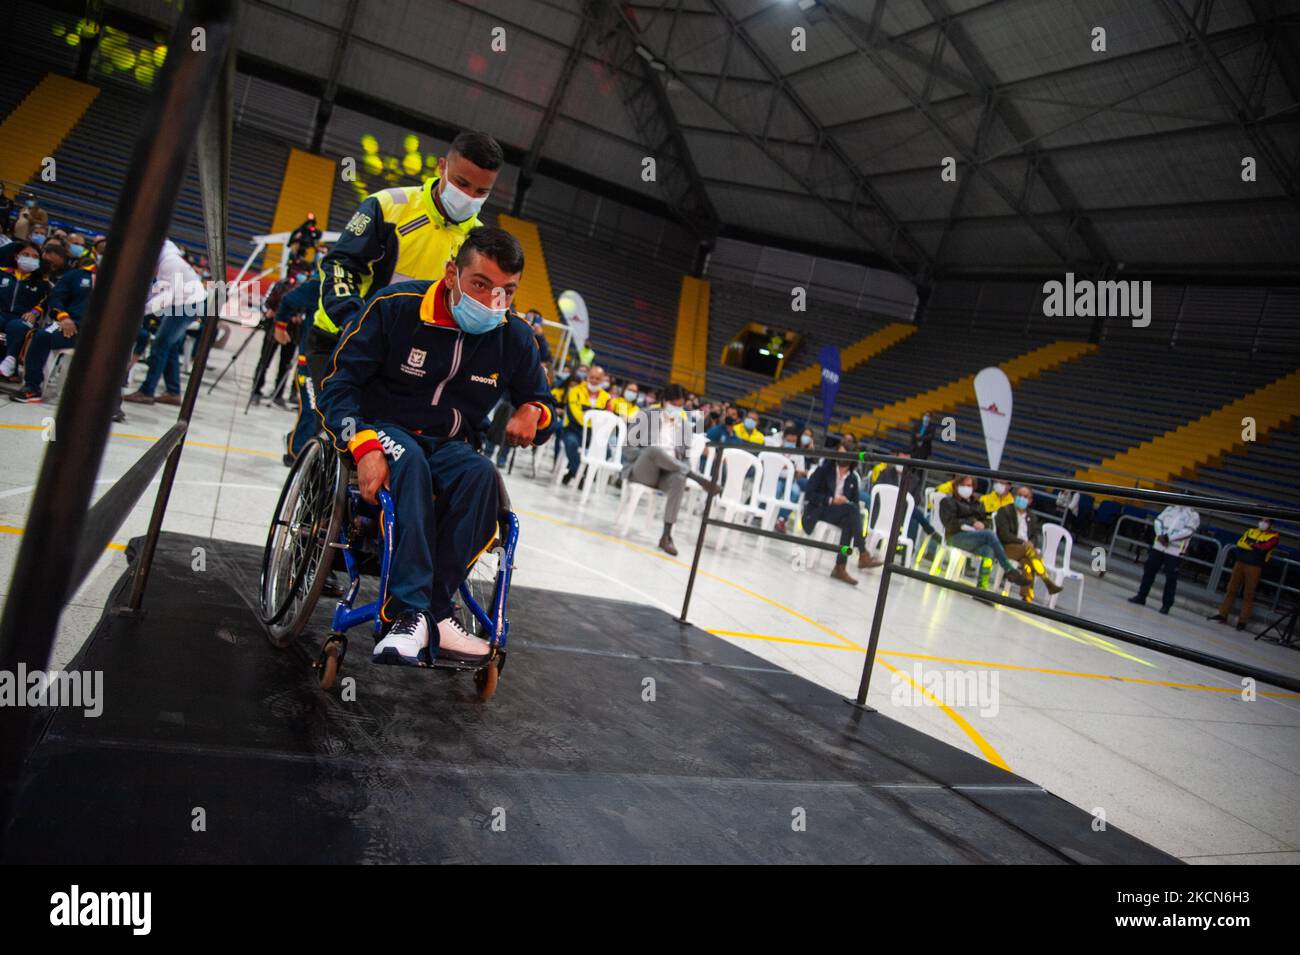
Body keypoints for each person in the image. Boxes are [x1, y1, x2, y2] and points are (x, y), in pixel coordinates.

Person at [317, 226, 555, 666]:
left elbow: (543, 402)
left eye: (506, 292)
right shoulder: (395, 308)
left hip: (453, 442)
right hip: (386, 427)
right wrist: (364, 445)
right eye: (480, 285)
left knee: (483, 476)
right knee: (409, 466)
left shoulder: (514, 337)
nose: (491, 302)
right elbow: (339, 383)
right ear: (451, 275)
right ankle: (407, 614)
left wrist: (532, 412)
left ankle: (433, 614)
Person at [311, 129, 502, 438]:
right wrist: (351, 320)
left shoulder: (479, 244)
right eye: (461, 183)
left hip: (408, 363)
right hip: (342, 340)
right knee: (335, 432)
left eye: (481, 192)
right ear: (442, 167)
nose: (469, 196)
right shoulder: (388, 206)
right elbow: (340, 266)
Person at [621, 383, 722, 555]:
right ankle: (696, 478)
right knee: (654, 450)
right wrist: (648, 455)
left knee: (679, 478)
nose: (677, 408)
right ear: (664, 401)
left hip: (667, 475)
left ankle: (666, 536)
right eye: (674, 404)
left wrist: (680, 467)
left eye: (680, 405)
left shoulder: (684, 427)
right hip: (644, 469)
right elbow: (628, 449)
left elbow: (686, 459)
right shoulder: (646, 415)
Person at [124, 239, 207, 406]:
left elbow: (167, 295)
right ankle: (173, 391)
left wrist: (142, 311)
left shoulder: (169, 262)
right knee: (170, 347)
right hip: (184, 302)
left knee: (160, 345)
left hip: (188, 304)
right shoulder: (165, 259)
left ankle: (147, 392)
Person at [938, 475, 1031, 590]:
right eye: (964, 485)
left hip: (975, 538)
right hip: (955, 536)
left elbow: (988, 521)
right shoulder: (948, 501)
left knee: (989, 550)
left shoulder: (977, 503)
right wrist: (972, 522)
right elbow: (949, 523)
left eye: (970, 485)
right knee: (989, 534)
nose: (967, 488)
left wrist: (983, 524)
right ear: (956, 485)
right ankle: (1009, 569)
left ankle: (982, 588)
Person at [802, 457, 884, 585]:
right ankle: (862, 553)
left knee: (849, 520)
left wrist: (844, 501)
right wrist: (831, 499)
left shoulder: (852, 479)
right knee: (851, 512)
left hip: (839, 513)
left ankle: (840, 567)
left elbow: (855, 504)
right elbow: (810, 494)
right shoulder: (823, 471)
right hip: (820, 510)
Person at [1127, 499, 1201, 614]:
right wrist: (1161, 535)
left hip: (1174, 551)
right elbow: (1158, 521)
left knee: (1171, 579)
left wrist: (1168, 538)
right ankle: (1141, 596)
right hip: (1158, 546)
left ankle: (1166, 605)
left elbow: (1188, 532)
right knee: (1149, 571)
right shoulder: (1170, 508)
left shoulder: (1193, 515)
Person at [1208, 517, 1279, 630]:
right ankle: (1222, 615)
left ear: (1271, 523)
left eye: (1266, 521)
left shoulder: (1274, 537)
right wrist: (1254, 545)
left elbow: (1263, 549)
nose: (1262, 522)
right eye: (1262, 520)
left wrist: (1251, 544)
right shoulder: (1251, 531)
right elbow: (1240, 543)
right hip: (1240, 562)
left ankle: (1242, 621)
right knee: (1231, 589)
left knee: (1248, 594)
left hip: (1255, 566)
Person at [993, 486, 1063, 601]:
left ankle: (1027, 597)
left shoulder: (1032, 516)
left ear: (1030, 501)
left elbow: (1035, 537)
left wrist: (1031, 542)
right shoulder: (1005, 511)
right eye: (1019, 495)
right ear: (1015, 497)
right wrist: (1024, 543)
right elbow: (1004, 535)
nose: (1022, 498)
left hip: (1025, 551)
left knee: (1028, 563)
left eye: (1025, 497)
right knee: (1030, 551)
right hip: (1006, 547)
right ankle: (1047, 581)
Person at [0, 242, 53, 381]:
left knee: (16, 326)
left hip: (23, 318)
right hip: (2, 313)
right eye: (26, 255)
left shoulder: (42, 283)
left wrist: (35, 312)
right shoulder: (2, 273)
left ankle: (10, 361)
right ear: (17, 256)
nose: (30, 258)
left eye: (35, 256)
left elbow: (47, 301)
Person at [560, 364, 612, 484]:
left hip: (594, 434)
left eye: (598, 378)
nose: (594, 381)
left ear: (603, 379)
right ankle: (580, 476)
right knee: (571, 443)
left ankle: (574, 472)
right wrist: (595, 420)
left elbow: (608, 418)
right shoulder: (575, 391)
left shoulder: (606, 397)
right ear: (587, 377)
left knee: (607, 452)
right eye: (592, 377)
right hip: (574, 430)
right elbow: (575, 415)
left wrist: (588, 417)